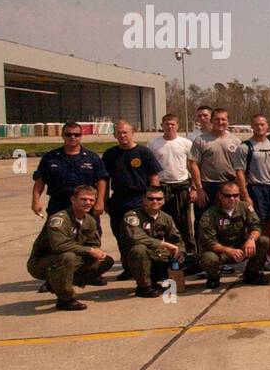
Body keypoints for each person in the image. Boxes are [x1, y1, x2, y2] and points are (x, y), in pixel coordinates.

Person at [27, 185, 113, 311]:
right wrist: (90, 251)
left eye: (91, 200)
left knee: (105, 261)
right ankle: (65, 299)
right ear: (73, 200)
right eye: (83, 199)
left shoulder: (89, 220)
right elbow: (60, 245)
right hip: (43, 262)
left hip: (70, 259)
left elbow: (93, 243)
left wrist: (95, 251)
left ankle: (56, 283)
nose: (87, 203)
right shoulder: (59, 219)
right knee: (68, 256)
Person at [103, 119, 162, 280]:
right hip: (118, 200)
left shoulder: (144, 152)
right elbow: (104, 180)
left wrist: (153, 199)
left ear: (132, 132)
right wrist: (104, 200)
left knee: (141, 236)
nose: (122, 136)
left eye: (125, 132)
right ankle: (128, 268)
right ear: (115, 135)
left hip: (139, 199)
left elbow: (154, 176)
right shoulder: (110, 154)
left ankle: (150, 267)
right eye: (119, 133)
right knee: (121, 236)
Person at [31, 122, 110, 223]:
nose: (72, 137)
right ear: (63, 136)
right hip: (59, 204)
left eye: (76, 134)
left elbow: (101, 180)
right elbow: (40, 181)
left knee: (89, 236)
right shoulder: (50, 158)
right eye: (68, 134)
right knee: (56, 235)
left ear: (81, 136)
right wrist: (35, 201)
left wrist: (100, 202)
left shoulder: (92, 158)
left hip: (85, 205)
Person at [195, 183, 269, 289]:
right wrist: (228, 250)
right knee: (208, 258)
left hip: (240, 247)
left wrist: (251, 240)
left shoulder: (245, 207)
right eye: (228, 196)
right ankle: (213, 277)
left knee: (263, 241)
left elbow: (256, 226)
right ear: (220, 196)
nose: (232, 199)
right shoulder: (209, 215)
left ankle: (252, 273)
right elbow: (209, 242)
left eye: (236, 195)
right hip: (220, 252)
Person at [121, 187, 184, 297]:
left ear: (164, 201)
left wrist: (180, 252)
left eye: (159, 199)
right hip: (137, 260)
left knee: (193, 261)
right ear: (144, 200)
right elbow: (136, 238)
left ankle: (156, 279)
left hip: (158, 256)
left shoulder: (166, 217)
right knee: (139, 250)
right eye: (151, 198)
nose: (155, 201)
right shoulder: (132, 216)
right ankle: (144, 287)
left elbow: (176, 239)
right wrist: (163, 244)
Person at [147, 113, 196, 256]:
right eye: (166, 124)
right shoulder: (153, 144)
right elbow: (150, 168)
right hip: (162, 187)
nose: (169, 127)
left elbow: (192, 166)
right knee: (161, 221)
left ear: (177, 126)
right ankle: (165, 251)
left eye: (172, 124)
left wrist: (193, 188)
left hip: (181, 186)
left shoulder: (186, 143)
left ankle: (190, 252)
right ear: (162, 126)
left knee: (184, 222)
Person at [240, 114, 270, 235]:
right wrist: (245, 195)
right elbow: (240, 172)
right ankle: (257, 249)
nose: (259, 127)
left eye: (262, 124)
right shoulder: (245, 147)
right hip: (256, 189)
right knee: (257, 222)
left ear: (267, 126)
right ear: (252, 126)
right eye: (256, 124)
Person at [189, 108, 244, 208]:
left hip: (229, 186)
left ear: (228, 121)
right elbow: (193, 164)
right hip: (207, 187)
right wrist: (199, 189)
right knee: (205, 220)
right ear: (211, 121)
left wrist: (239, 190)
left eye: (223, 119)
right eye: (217, 119)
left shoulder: (236, 141)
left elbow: (240, 168)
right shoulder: (200, 140)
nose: (220, 122)